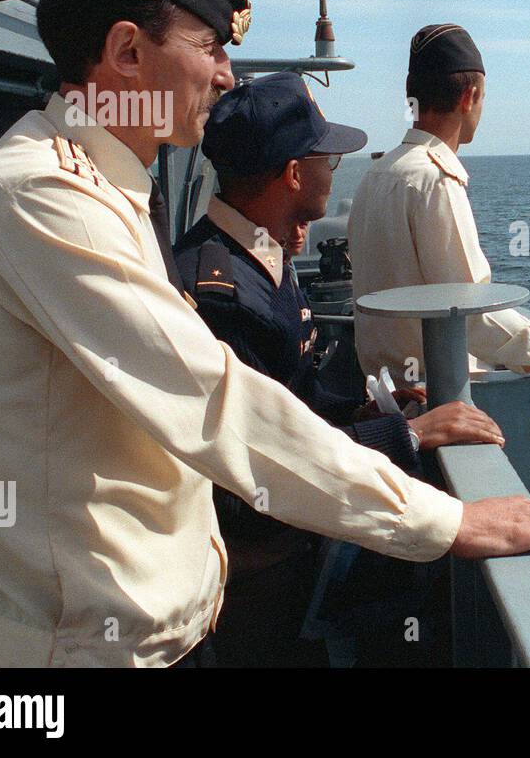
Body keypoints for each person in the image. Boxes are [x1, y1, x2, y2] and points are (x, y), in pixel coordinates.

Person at [0, 0, 530, 668]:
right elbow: (215, 398)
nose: (226, 74)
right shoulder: (40, 199)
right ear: (128, 51)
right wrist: (446, 522)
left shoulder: (101, 186)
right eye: (211, 46)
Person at [174, 71, 503, 665]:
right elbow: (251, 469)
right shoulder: (219, 294)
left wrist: (375, 408)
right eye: (327, 157)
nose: (337, 167)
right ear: (294, 173)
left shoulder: (257, 258)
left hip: (291, 545)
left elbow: (293, 404)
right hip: (257, 579)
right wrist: (408, 434)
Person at [348, 24, 530, 406]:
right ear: (470, 95)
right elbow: (471, 314)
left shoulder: (378, 174)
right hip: (434, 402)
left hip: (384, 395)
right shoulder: (435, 180)